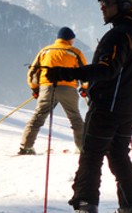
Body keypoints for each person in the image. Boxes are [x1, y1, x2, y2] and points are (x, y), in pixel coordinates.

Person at [45, 0, 132, 213]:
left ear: (123, 6)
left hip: (107, 108)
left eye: (107, 3)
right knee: (118, 155)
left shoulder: (118, 35)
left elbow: (107, 69)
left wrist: (67, 74)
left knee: (91, 157)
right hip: (130, 109)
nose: (102, 8)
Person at [19, 27, 88, 155]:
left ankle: (26, 147)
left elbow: (33, 72)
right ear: (70, 39)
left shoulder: (45, 51)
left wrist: (35, 89)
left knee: (38, 117)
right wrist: (84, 88)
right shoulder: (75, 52)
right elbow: (85, 72)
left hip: (47, 87)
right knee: (75, 118)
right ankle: (82, 147)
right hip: (68, 88)